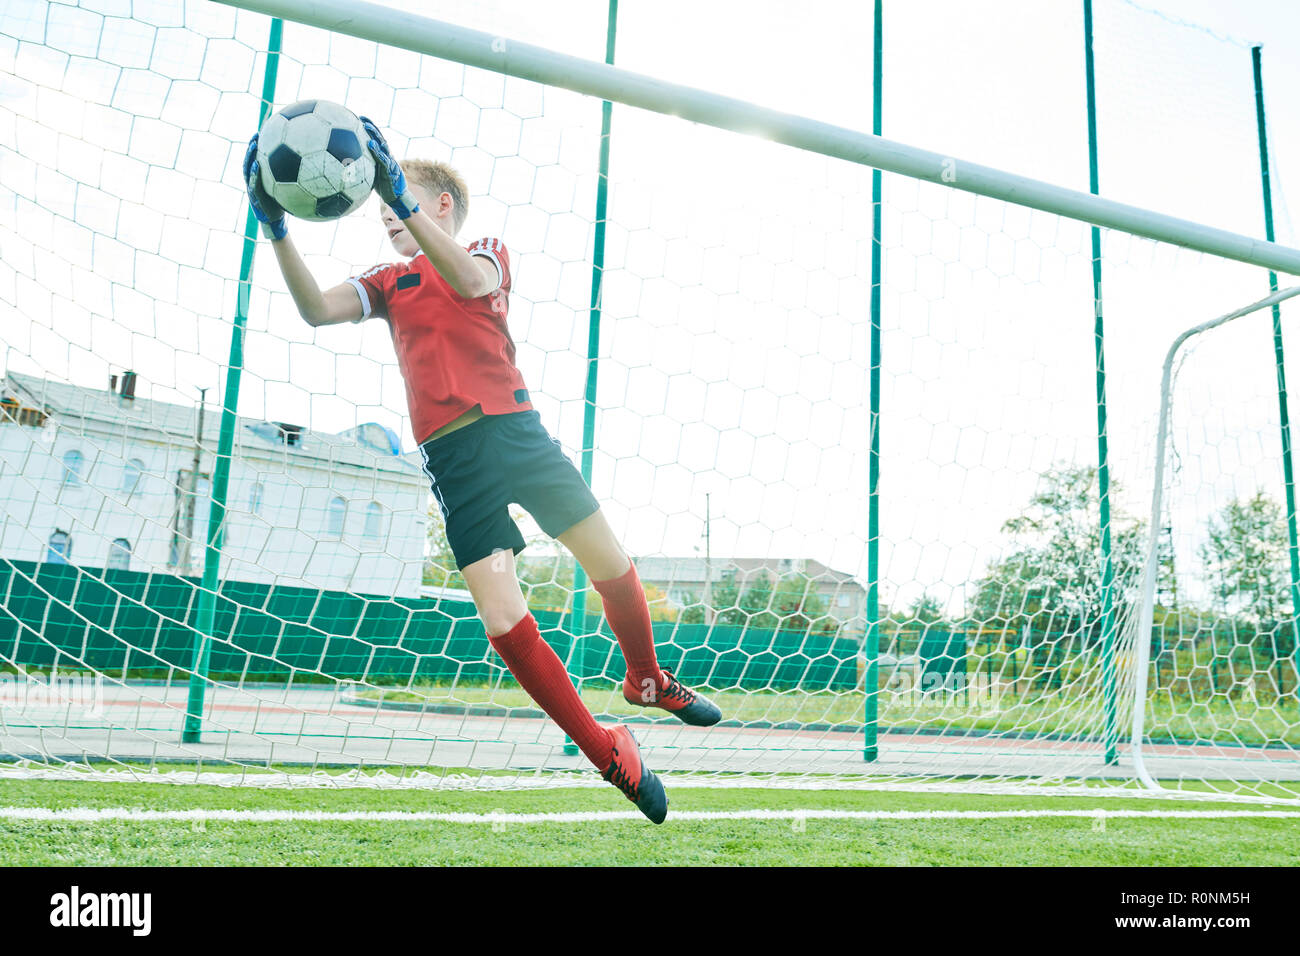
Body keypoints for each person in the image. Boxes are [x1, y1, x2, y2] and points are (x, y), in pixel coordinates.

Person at [242, 119, 720, 823]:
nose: (387, 220)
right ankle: (603, 747)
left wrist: (397, 194)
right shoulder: (388, 280)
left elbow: (468, 281)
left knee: (609, 560)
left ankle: (647, 680)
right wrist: (275, 226)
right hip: (456, 460)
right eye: (380, 210)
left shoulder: (485, 251)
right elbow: (317, 310)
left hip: (516, 435)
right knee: (502, 616)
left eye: (396, 203)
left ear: (438, 205)